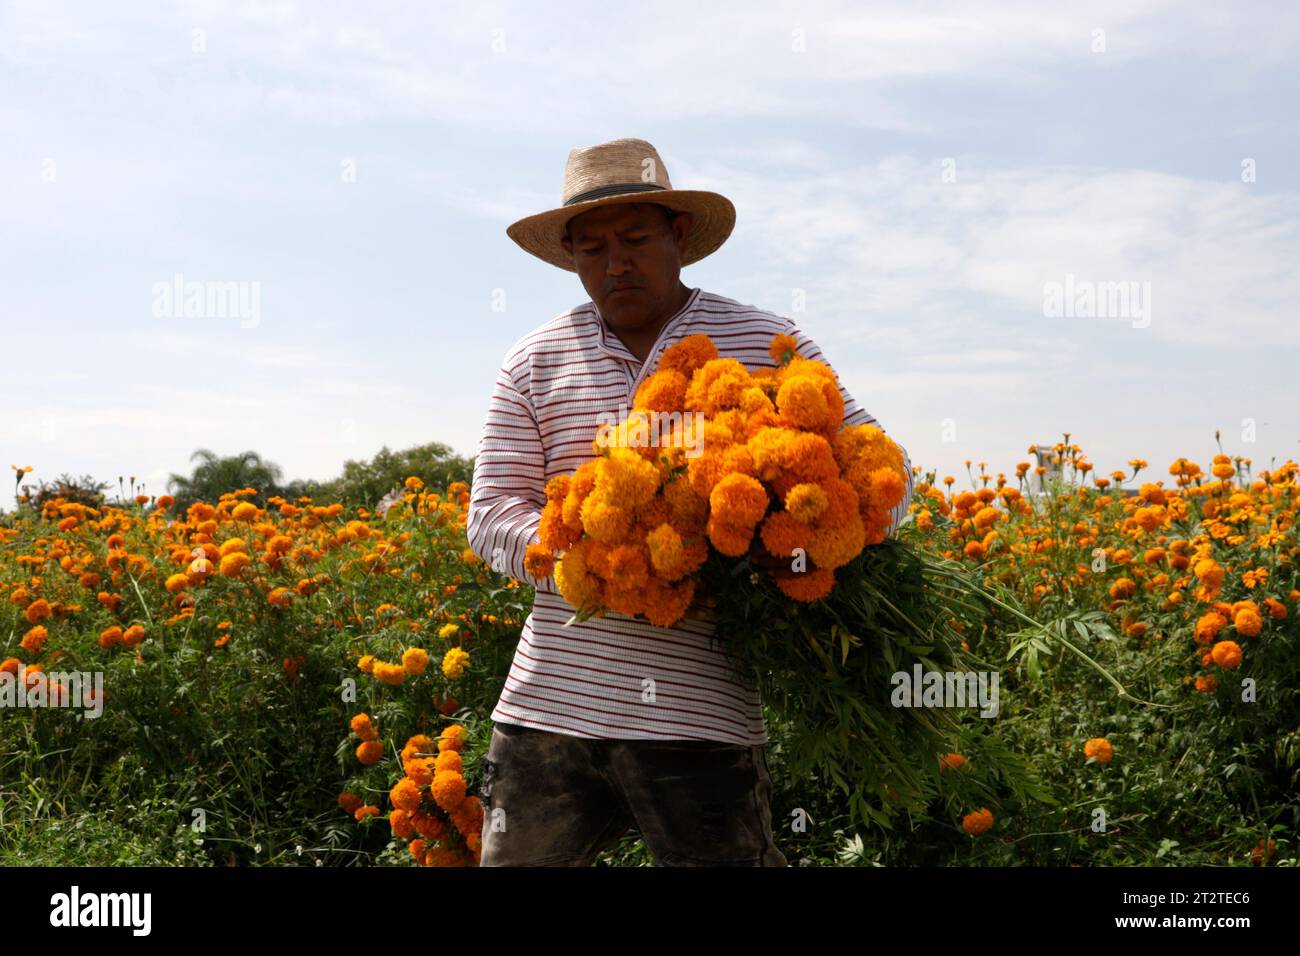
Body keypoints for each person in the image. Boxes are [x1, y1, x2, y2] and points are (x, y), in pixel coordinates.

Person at [467, 137, 914, 866]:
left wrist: (777, 545)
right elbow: (489, 519)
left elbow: (889, 483)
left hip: (700, 717)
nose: (615, 264)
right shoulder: (533, 362)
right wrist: (599, 563)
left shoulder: (769, 341)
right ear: (571, 257)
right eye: (593, 249)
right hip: (549, 711)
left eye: (636, 239)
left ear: (679, 236)